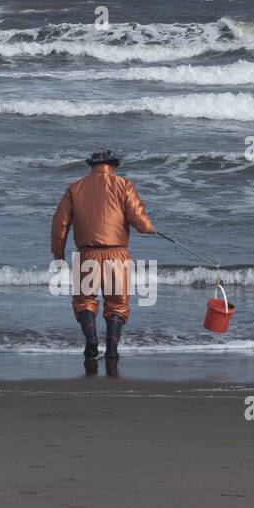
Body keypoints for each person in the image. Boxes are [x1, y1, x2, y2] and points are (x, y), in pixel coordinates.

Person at [51, 150, 155, 362]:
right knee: (117, 304)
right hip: (117, 254)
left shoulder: (75, 188)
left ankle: (91, 342)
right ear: (113, 165)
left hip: (86, 253)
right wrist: (148, 228)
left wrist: (58, 254)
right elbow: (139, 221)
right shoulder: (123, 185)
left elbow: (59, 224)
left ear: (92, 165)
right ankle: (112, 350)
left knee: (84, 301)